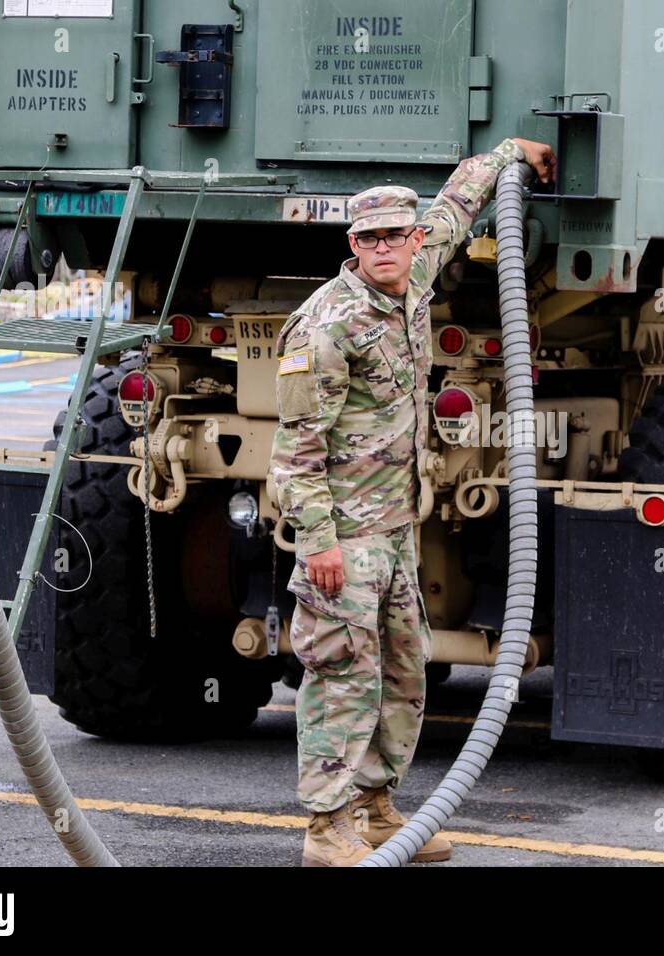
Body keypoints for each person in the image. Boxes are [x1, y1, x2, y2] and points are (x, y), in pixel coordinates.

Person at [271, 135, 557, 866]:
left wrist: (507, 156)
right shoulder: (328, 324)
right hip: (345, 536)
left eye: (396, 236)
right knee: (342, 671)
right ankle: (325, 827)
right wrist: (320, 543)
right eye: (370, 239)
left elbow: (456, 205)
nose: (385, 249)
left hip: (396, 529)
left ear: (413, 240)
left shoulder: (417, 278)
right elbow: (297, 450)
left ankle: (373, 807)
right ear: (354, 244)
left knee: (404, 669)